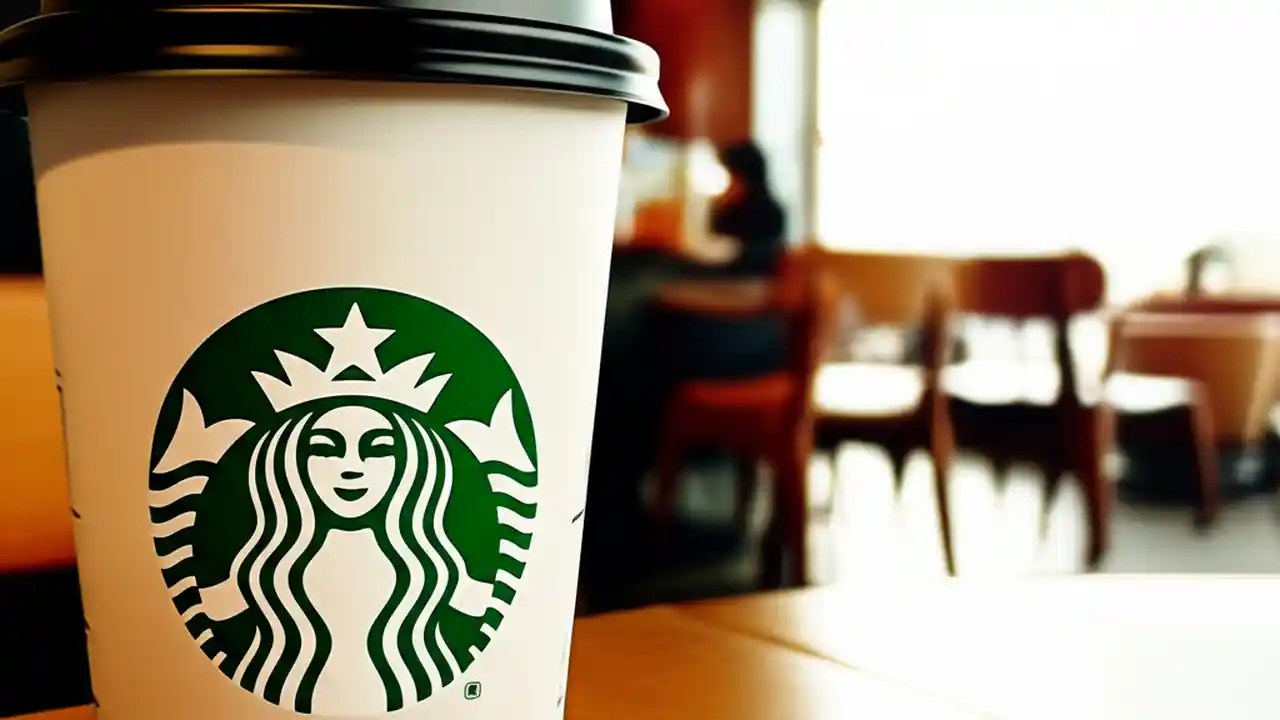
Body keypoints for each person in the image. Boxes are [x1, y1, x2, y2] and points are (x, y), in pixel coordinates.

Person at [705, 141, 787, 277]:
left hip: (748, 284)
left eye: (733, 177)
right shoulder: (726, 207)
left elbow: (760, 260)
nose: (729, 184)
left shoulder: (770, 213)